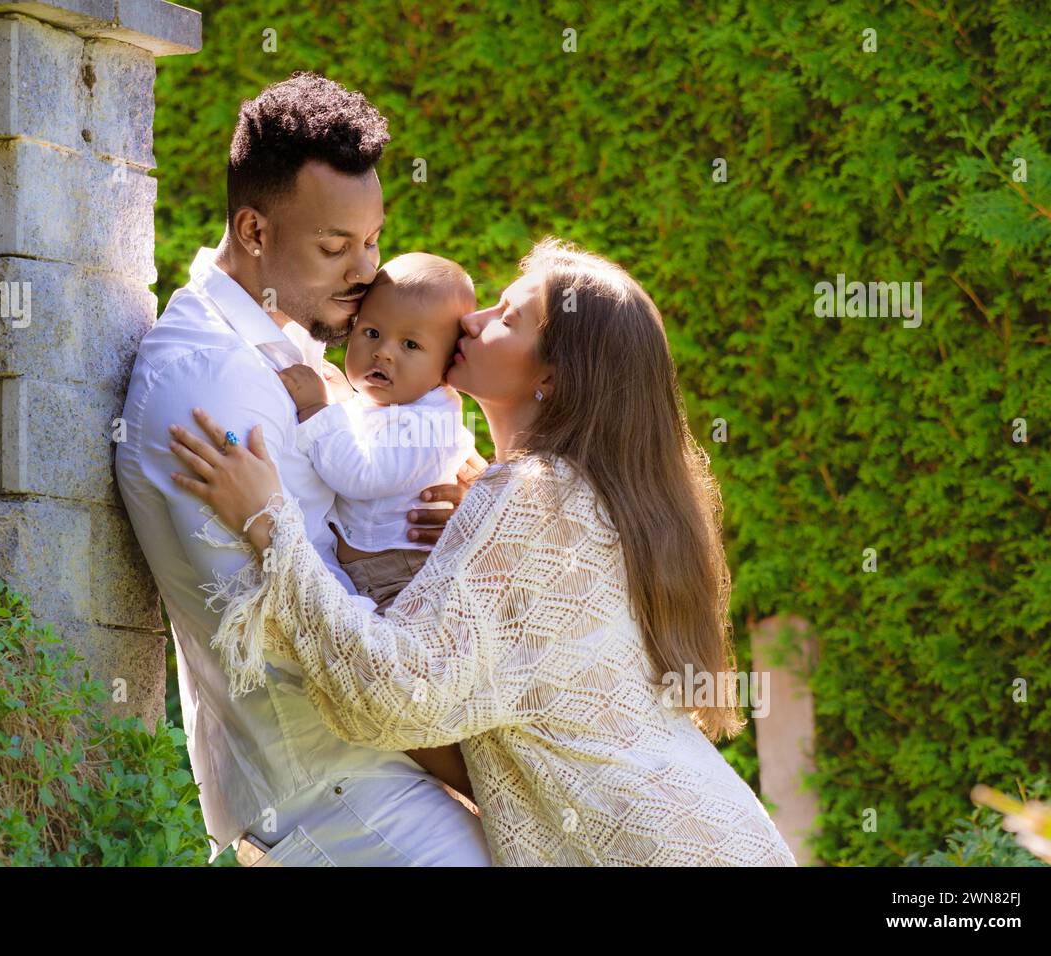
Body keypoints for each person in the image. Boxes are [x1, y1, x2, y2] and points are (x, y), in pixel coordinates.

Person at [167, 237, 800, 866]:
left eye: (507, 317)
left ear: (553, 375)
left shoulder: (534, 497)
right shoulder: (571, 500)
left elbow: (394, 697)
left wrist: (269, 522)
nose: (471, 320)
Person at [116, 72, 491, 867]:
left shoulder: (290, 350)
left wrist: (459, 516)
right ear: (253, 230)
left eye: (373, 240)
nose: (367, 272)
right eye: (335, 247)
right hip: (336, 801)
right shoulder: (209, 385)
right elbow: (291, 632)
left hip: (382, 766)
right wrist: (496, 771)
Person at [271, 252, 480, 803]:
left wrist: (319, 410)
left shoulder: (432, 422)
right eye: (371, 332)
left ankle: (471, 788)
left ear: (446, 365)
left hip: (401, 582)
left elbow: (358, 473)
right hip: (377, 577)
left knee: (394, 695)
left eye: (411, 345)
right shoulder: (384, 399)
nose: (384, 351)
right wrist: (341, 398)